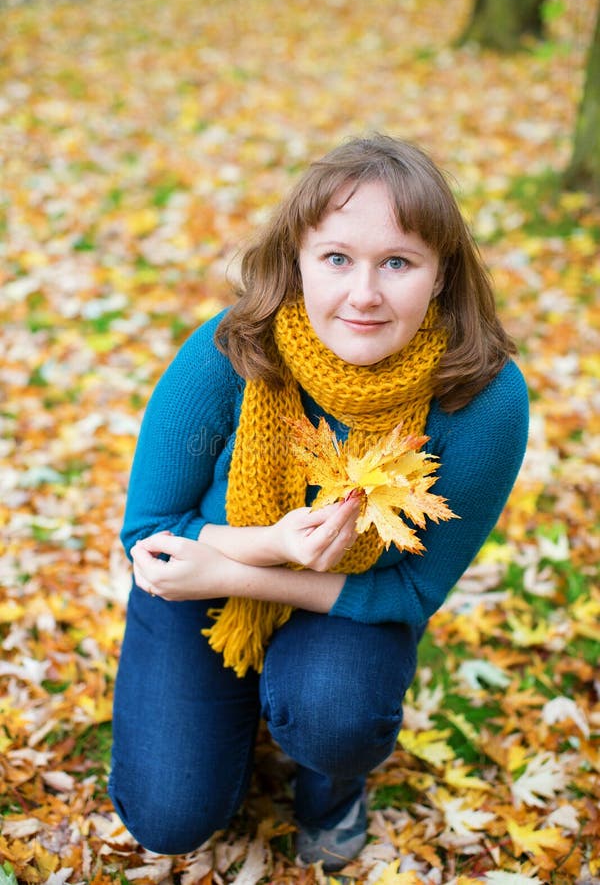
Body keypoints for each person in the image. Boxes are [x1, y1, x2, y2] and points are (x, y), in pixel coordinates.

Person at [108, 134, 529, 870]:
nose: (363, 294)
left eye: (397, 262)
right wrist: (267, 546)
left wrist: (241, 572)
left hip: (343, 596)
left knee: (333, 714)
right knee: (168, 817)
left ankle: (331, 781)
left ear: (439, 275)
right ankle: (230, 724)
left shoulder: (482, 400)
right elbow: (149, 530)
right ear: (296, 260)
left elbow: (414, 587)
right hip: (198, 571)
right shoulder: (231, 350)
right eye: (337, 258)